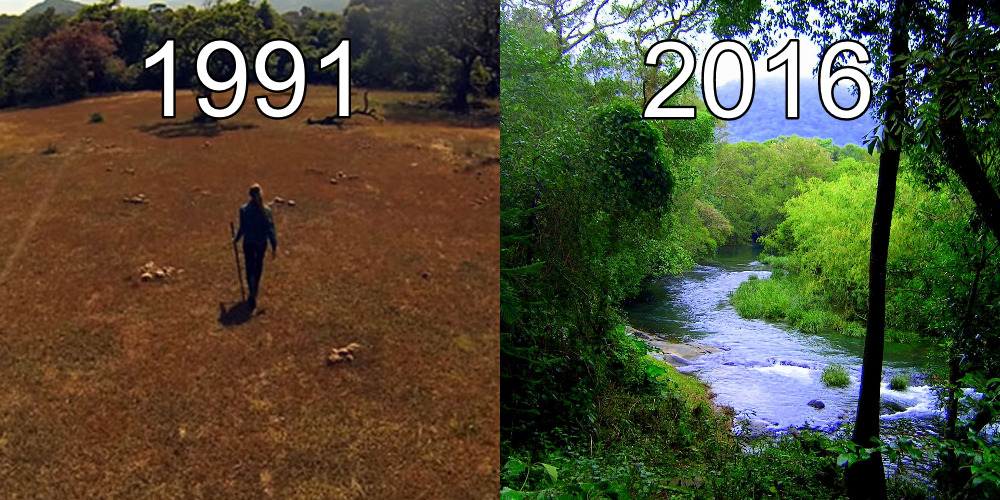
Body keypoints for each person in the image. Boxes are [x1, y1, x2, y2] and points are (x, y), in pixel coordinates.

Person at [233, 183, 277, 308]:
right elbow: (271, 229)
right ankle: (254, 291)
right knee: (258, 267)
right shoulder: (267, 210)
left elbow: (242, 228)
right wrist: (274, 245)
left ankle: (251, 291)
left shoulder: (244, 210)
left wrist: (236, 239)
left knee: (249, 267)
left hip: (249, 242)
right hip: (261, 242)